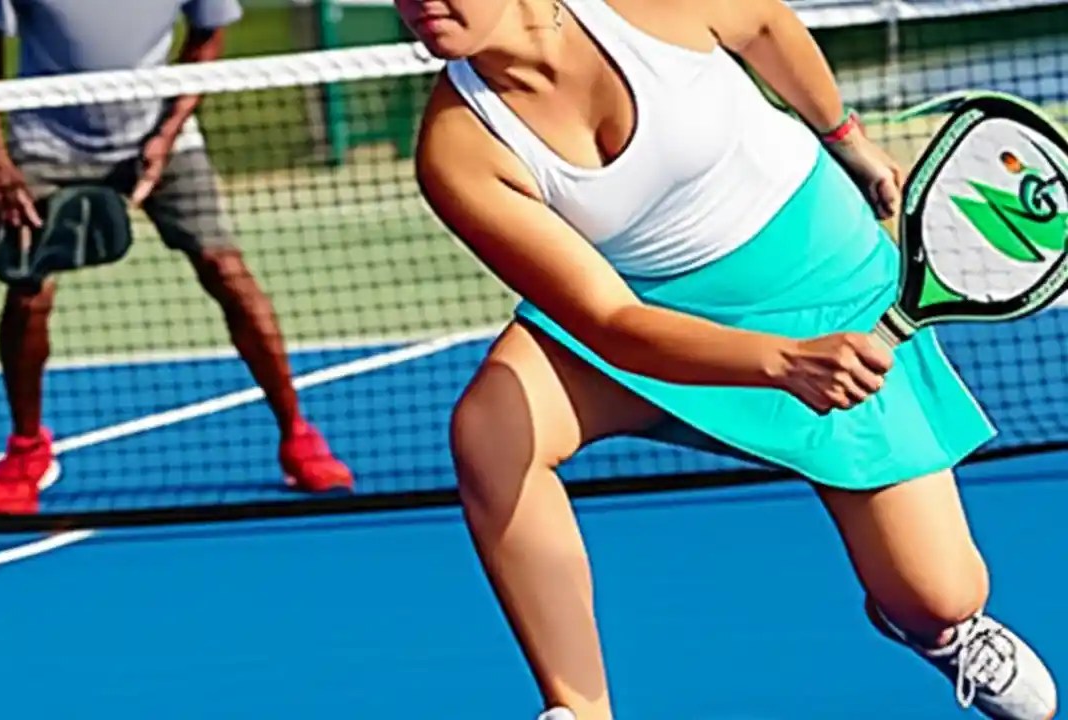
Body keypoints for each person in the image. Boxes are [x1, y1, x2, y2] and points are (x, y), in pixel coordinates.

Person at [396, 0, 1058, 718]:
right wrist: (777, 361)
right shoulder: (458, 150)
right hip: (645, 315)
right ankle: (578, 709)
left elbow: (766, 27)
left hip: (826, 281)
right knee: (492, 431)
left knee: (940, 594)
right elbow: (609, 320)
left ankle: (938, 632)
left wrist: (845, 137)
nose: (420, 2)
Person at [0, 0, 354, 515]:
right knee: (28, 293)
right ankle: (26, 449)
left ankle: (297, 434)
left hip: (160, 135)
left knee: (226, 270)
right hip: (46, 145)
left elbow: (208, 33)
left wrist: (168, 133)